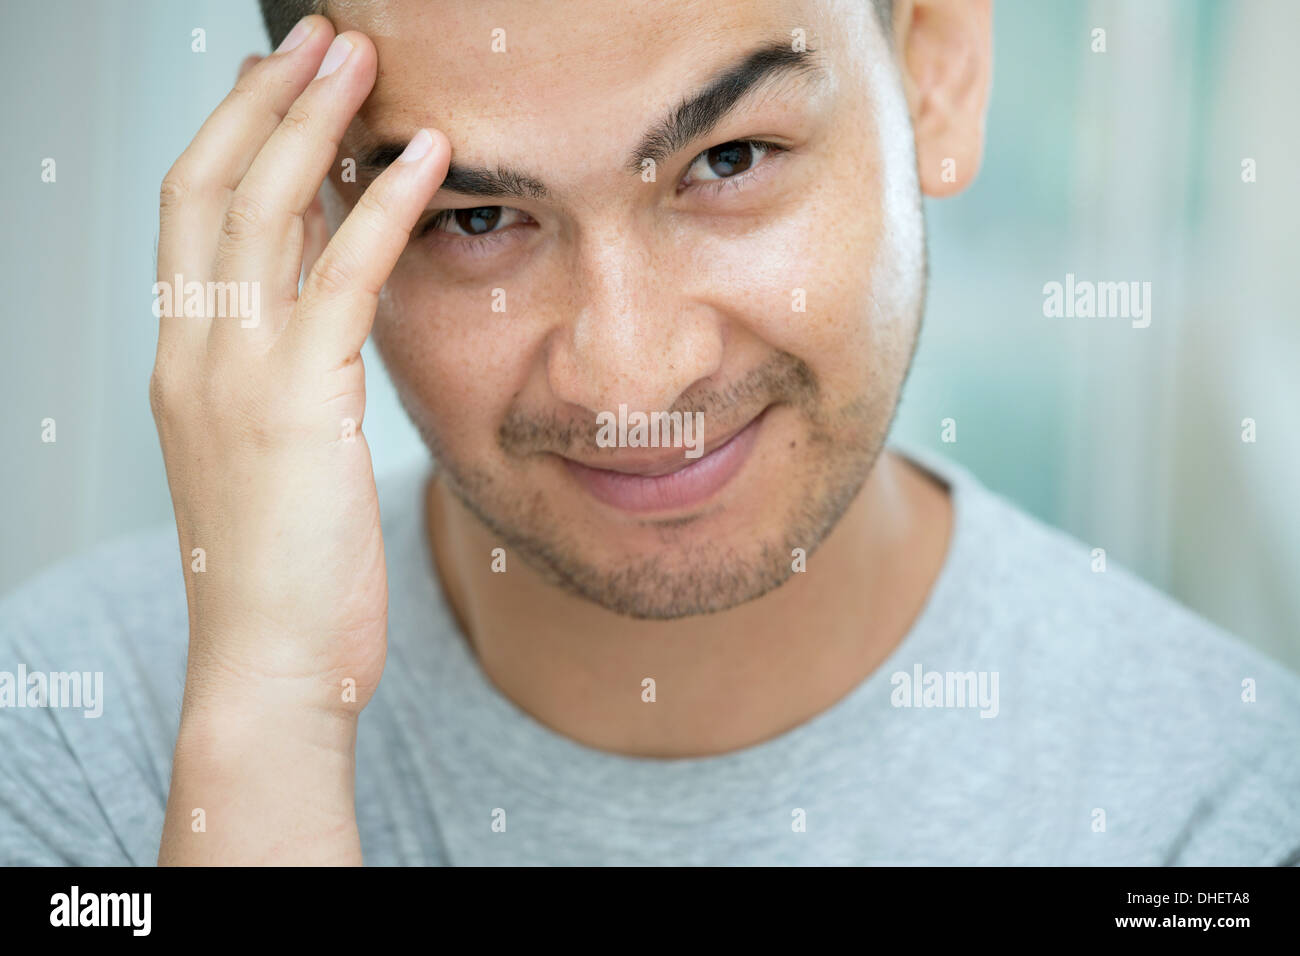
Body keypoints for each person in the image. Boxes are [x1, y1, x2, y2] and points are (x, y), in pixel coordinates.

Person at [1, 0, 1296, 866]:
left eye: (729, 160)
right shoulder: (75, 737)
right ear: (318, 217)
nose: (629, 372)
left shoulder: (1216, 809)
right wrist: (270, 715)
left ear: (939, 73)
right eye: (472, 221)